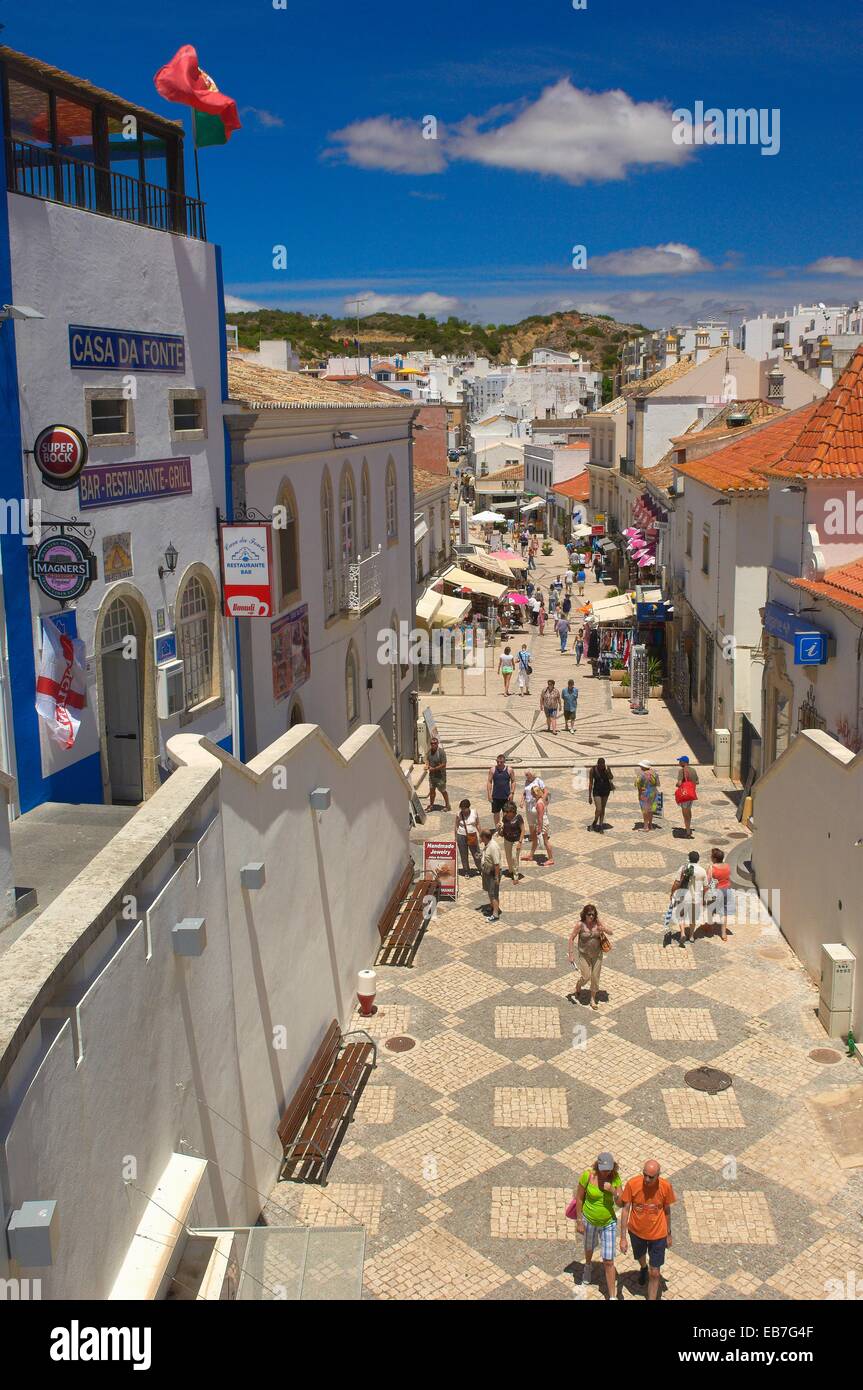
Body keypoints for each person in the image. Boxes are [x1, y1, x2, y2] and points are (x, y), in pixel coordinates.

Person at [618, 1160, 676, 1301]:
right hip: (636, 1232)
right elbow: (625, 1209)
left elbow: (667, 1210)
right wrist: (623, 1237)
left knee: (655, 1272)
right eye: (645, 1175)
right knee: (640, 1255)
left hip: (658, 1234)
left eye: (651, 1177)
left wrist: (668, 1234)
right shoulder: (633, 1184)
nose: (646, 1179)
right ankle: (643, 1267)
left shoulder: (665, 1186)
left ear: (658, 1175)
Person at [573, 1152, 622, 1298]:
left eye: (608, 1169)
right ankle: (588, 1266)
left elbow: (621, 1203)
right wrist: (579, 1221)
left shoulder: (615, 1179)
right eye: (603, 1169)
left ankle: (612, 1296)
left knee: (608, 1260)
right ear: (598, 1166)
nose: (606, 1172)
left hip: (608, 1223)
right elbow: (579, 1199)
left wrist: (613, 1191)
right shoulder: (587, 1176)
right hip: (589, 1220)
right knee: (589, 1247)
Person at [567, 903, 609, 1009]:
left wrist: (603, 929)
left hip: (597, 954)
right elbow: (571, 938)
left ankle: (593, 999)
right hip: (584, 954)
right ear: (585, 914)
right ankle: (578, 985)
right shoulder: (580, 925)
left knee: (595, 977)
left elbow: (611, 932)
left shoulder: (597, 923)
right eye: (589, 914)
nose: (591, 917)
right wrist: (571, 955)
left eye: (593, 915)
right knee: (586, 976)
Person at [669, 850, 708, 947]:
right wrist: (703, 899)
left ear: (689, 858)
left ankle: (682, 933)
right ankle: (691, 936)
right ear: (698, 859)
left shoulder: (683, 868)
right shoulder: (702, 871)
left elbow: (677, 883)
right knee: (693, 918)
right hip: (696, 898)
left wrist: (672, 892)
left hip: (684, 897)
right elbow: (706, 887)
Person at [705, 847, 734, 942]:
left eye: (711, 856)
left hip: (716, 891)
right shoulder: (727, 866)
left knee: (710, 908)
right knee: (724, 912)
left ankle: (709, 926)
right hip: (727, 890)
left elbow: (707, 881)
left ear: (715, 858)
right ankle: (723, 933)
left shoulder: (711, 868)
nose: (710, 857)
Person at [454, 798, 482, 876]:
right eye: (461, 809)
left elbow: (478, 824)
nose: (463, 810)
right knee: (463, 854)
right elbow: (456, 826)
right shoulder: (459, 814)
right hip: (461, 835)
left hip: (472, 835)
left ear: (468, 807)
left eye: (464, 809)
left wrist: (481, 835)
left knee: (476, 853)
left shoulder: (474, 812)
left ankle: (480, 868)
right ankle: (466, 870)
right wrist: (455, 837)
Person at [499, 800, 525, 881]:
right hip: (507, 840)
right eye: (505, 811)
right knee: (508, 857)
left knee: (514, 857)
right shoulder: (505, 818)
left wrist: (520, 842)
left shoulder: (518, 817)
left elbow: (523, 830)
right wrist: (499, 828)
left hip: (516, 840)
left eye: (507, 811)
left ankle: (516, 875)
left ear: (512, 811)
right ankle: (510, 871)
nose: (506, 813)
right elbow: (501, 832)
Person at [487, 753, 514, 829]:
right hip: (495, 796)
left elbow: (513, 781)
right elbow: (489, 782)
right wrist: (489, 794)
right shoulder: (492, 770)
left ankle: (505, 828)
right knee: (496, 813)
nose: (499, 763)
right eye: (498, 762)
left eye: (501, 762)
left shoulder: (509, 770)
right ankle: (497, 828)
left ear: (504, 761)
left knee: (506, 813)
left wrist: (512, 793)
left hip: (506, 796)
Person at [479, 829, 502, 919]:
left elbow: (496, 864)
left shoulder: (493, 847)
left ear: (484, 837)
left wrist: (496, 877)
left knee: (494, 894)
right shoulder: (487, 844)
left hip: (493, 874)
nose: (480, 838)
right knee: (489, 891)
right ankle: (493, 907)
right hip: (487, 872)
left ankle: (495, 914)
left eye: (481, 837)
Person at [675, 755, 699, 838]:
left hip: (685, 795)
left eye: (680, 761)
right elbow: (697, 782)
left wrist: (677, 785)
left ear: (683, 762)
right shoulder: (693, 770)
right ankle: (688, 827)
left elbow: (679, 783)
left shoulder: (681, 771)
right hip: (691, 794)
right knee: (689, 810)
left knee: (685, 814)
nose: (679, 763)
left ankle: (688, 832)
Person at [530, 783, 554, 865]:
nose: (531, 794)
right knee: (534, 839)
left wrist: (539, 829)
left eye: (532, 793)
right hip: (538, 823)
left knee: (545, 841)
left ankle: (551, 859)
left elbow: (540, 817)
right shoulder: (539, 800)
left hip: (542, 823)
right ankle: (531, 855)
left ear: (536, 793)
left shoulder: (539, 803)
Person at [635, 759, 661, 831]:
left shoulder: (641, 774)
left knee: (645, 810)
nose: (640, 767)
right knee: (651, 810)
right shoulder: (655, 773)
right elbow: (657, 784)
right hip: (654, 792)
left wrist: (639, 794)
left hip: (645, 793)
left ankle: (645, 827)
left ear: (643, 766)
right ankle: (650, 825)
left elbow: (637, 785)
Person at [588, 758, 613, 831]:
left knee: (603, 808)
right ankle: (595, 821)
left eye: (603, 764)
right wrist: (589, 796)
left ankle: (601, 824)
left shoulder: (607, 768)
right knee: (599, 808)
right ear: (598, 764)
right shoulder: (593, 770)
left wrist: (608, 772)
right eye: (601, 765)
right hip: (597, 791)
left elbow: (611, 777)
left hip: (606, 790)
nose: (602, 766)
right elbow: (590, 783)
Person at [426, 735, 450, 812]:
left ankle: (447, 805)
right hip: (432, 776)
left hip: (440, 776)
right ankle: (431, 805)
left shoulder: (441, 752)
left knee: (443, 791)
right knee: (432, 791)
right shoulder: (429, 752)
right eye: (431, 743)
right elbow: (427, 760)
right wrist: (427, 766)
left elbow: (444, 764)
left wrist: (434, 769)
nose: (433, 745)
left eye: (434, 743)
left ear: (437, 743)